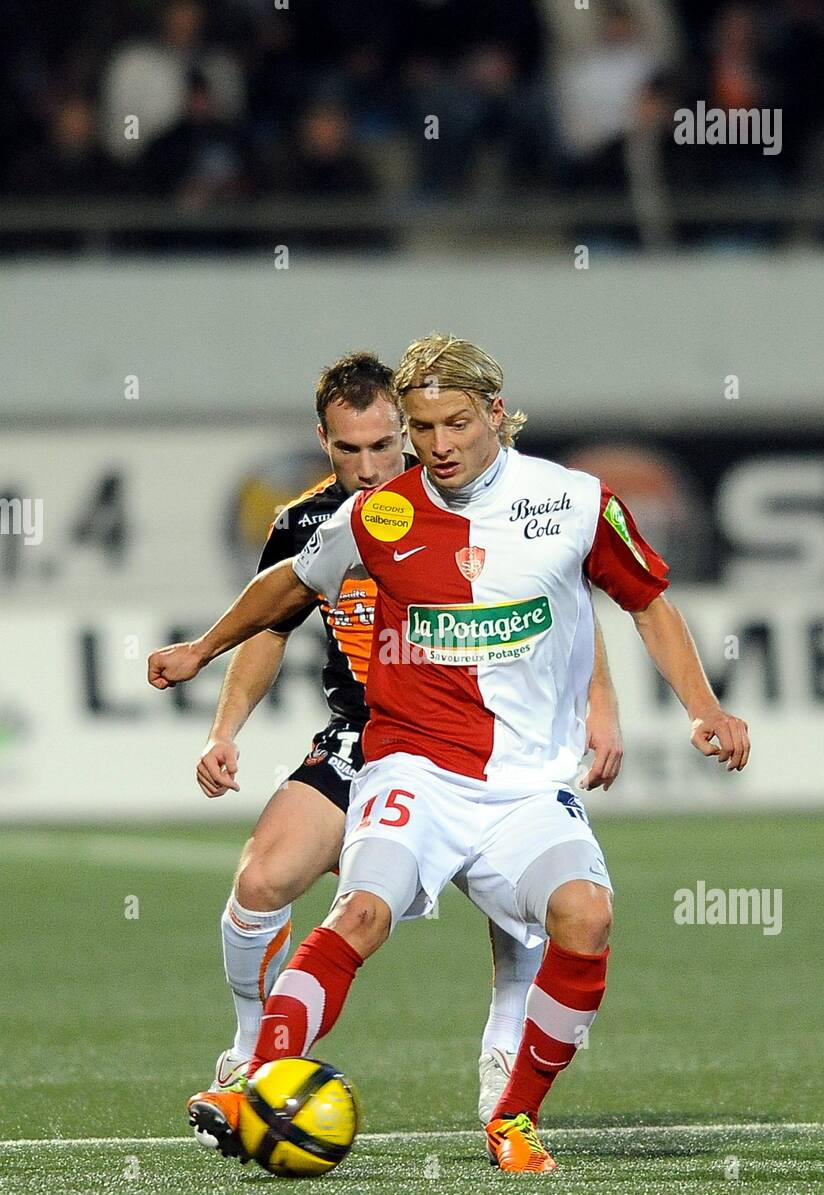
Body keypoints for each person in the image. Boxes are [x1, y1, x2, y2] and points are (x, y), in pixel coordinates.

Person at [148, 334, 749, 1173]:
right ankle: (252, 1076)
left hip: (526, 787)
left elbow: (644, 602)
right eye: (422, 427)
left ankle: (512, 1117)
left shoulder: (573, 501)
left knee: (586, 918)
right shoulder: (380, 512)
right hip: (413, 768)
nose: (438, 446)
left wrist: (703, 708)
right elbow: (287, 586)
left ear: (496, 415)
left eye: (455, 424)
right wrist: (201, 649)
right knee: (357, 913)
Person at [190, 350, 623, 1137]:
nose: (369, 465)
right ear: (321, 441)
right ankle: (252, 1063)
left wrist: (600, 706)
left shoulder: (474, 502)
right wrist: (224, 728)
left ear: (408, 430)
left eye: (385, 445)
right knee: (262, 882)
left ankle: (503, 1067)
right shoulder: (312, 522)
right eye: (347, 450)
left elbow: (557, 603)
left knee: (526, 913)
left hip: (487, 741)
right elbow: (269, 623)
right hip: (368, 740)